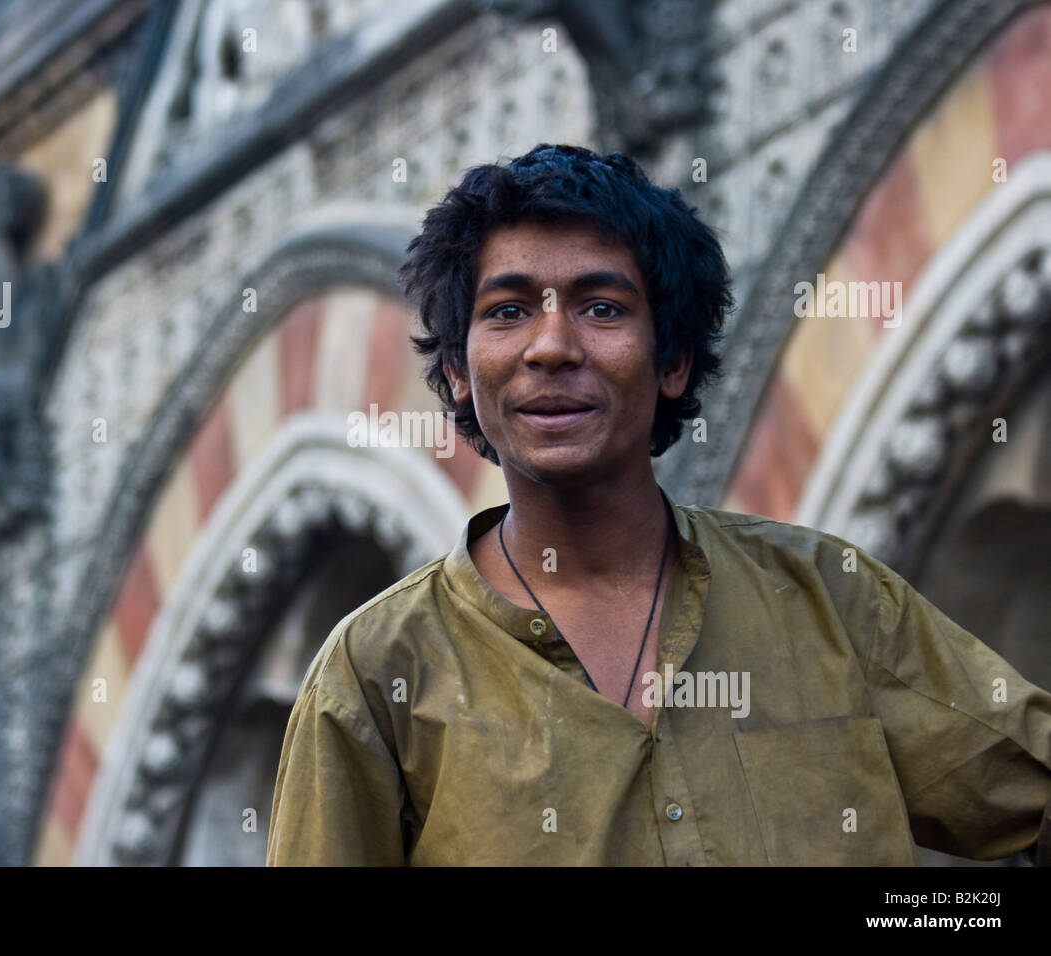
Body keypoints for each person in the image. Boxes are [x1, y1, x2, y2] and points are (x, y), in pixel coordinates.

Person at [265, 144, 1051, 865]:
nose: (551, 346)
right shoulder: (377, 674)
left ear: (672, 360)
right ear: (462, 372)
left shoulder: (827, 599)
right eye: (507, 311)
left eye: (601, 307)